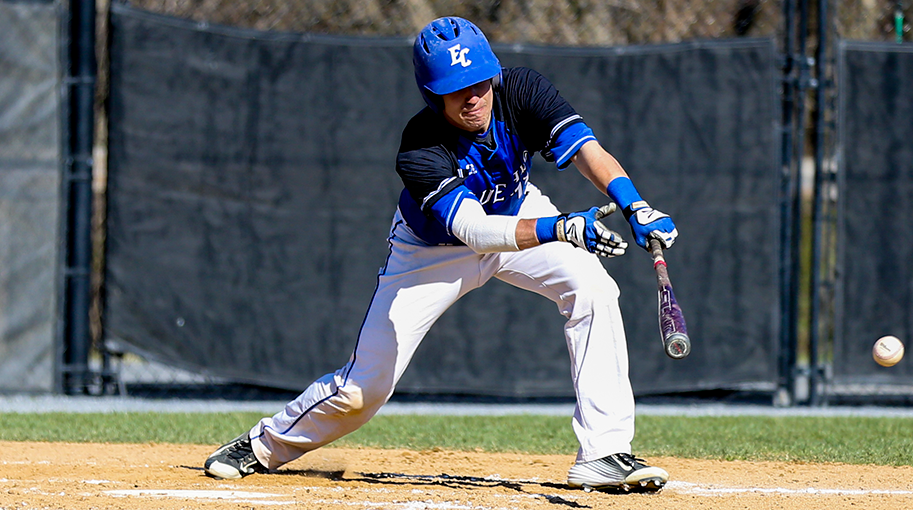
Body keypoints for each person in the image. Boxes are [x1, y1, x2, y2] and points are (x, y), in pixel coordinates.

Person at [204, 16, 678, 493]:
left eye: (477, 83)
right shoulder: (420, 145)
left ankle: (603, 453)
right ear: (433, 95)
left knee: (594, 288)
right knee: (361, 390)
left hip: (517, 212)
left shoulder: (523, 90)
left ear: (492, 75)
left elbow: (586, 151)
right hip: (432, 251)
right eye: (456, 90)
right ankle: (264, 445)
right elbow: (475, 231)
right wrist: (563, 227)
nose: (472, 97)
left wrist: (633, 204)